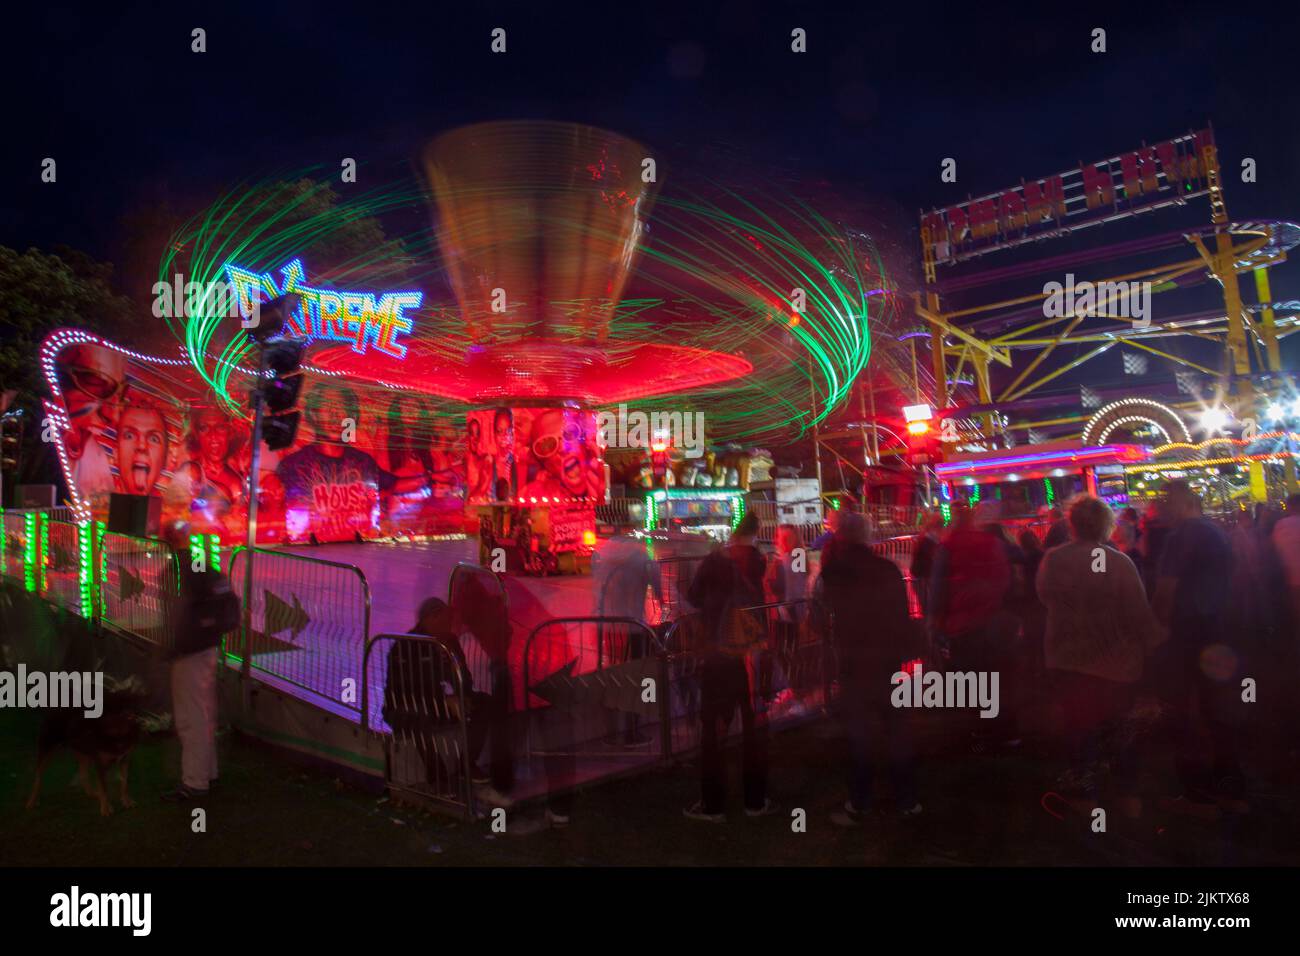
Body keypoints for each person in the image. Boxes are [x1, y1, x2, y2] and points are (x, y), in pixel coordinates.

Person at [1035, 496, 1164, 817]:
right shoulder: (1119, 563)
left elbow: (1045, 598)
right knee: (1120, 731)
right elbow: (1138, 612)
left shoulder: (1053, 560)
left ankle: (1084, 798)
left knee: (1079, 730)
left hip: (1069, 660)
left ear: (1072, 523)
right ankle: (1128, 797)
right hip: (1116, 664)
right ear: (1107, 524)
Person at [818, 511, 921, 825]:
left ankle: (860, 801)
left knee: (859, 734)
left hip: (854, 660)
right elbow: (903, 613)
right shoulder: (888, 570)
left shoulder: (834, 573)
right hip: (888, 659)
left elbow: (820, 615)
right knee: (896, 729)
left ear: (842, 537)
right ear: (868, 536)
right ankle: (905, 797)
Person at [1150, 480, 1243, 812]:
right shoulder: (1216, 532)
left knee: (1182, 710)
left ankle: (1196, 792)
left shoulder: (1182, 537)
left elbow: (1166, 590)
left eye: (1167, 501)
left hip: (1186, 632)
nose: (1163, 508)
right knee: (1218, 709)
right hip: (1217, 630)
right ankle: (1232, 788)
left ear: (1183, 502)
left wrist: (1158, 626)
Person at [682, 512, 776, 821]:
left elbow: (693, 598)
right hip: (754, 656)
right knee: (755, 729)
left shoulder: (715, 561)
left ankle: (713, 803)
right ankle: (755, 800)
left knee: (714, 731)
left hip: (719, 655)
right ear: (756, 531)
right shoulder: (762, 562)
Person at [160, 520, 239, 802]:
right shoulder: (201, 566)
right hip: (208, 646)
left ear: (167, 540)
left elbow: (176, 614)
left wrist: (171, 646)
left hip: (190, 651)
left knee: (190, 718)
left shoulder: (178, 570)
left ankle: (194, 782)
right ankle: (207, 773)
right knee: (204, 714)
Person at [910, 511, 944, 619]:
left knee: (928, 611)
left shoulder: (927, 539)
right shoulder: (928, 542)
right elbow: (931, 563)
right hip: (924, 580)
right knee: (929, 611)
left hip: (922, 580)